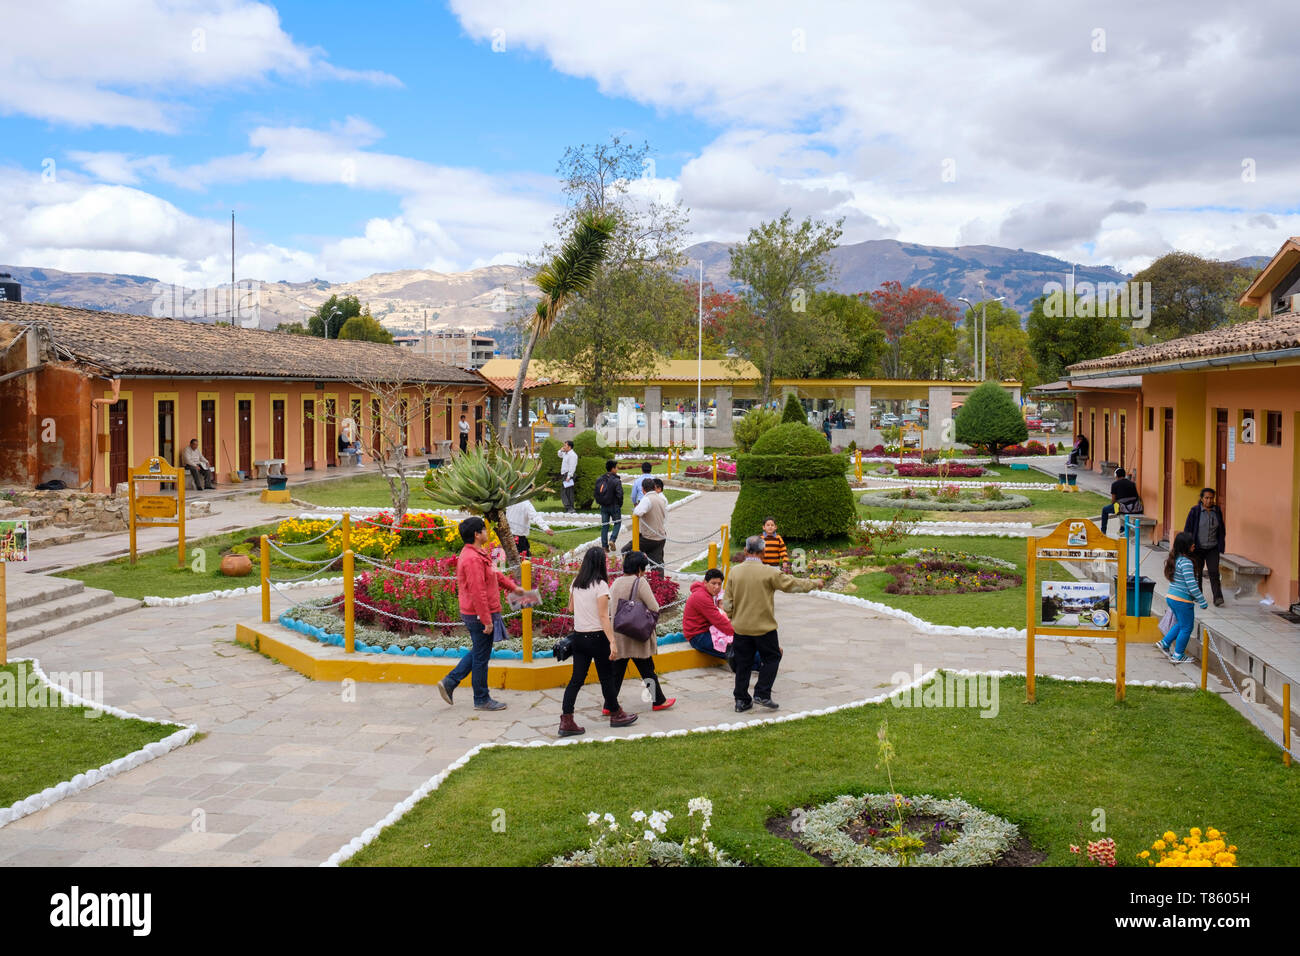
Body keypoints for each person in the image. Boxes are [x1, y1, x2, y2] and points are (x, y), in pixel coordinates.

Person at [723, 536, 818, 712]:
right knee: (772, 658)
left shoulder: (735, 572)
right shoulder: (769, 572)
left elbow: (727, 602)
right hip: (764, 628)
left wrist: (732, 617)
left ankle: (741, 700)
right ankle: (762, 693)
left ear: (745, 551)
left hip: (741, 627)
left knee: (743, 663)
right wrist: (814, 583)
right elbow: (792, 584)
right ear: (763, 552)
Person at [438, 516, 523, 712]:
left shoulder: (478, 553)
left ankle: (450, 682)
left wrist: (514, 588)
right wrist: (487, 621)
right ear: (477, 534)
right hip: (478, 615)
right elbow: (478, 592)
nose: (487, 532)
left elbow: (495, 574)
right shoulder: (472, 559)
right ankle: (481, 699)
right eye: (484, 529)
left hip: (481, 612)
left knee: (479, 651)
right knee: (481, 657)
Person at [559, 547, 638, 736]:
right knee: (606, 677)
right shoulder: (600, 585)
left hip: (579, 637)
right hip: (597, 637)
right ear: (600, 563)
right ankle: (616, 713)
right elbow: (603, 617)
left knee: (576, 680)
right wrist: (612, 641)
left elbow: (570, 608)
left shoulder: (576, 583)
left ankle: (566, 720)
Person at [607, 550, 674, 712]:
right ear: (639, 568)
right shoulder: (640, 582)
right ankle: (658, 701)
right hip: (637, 634)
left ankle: (609, 705)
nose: (644, 571)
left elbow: (611, 608)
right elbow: (654, 607)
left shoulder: (616, 583)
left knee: (616, 673)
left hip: (619, 633)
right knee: (647, 670)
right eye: (644, 568)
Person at [1157, 531, 1208, 664]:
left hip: (1172, 597)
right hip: (1182, 601)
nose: (1194, 545)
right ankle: (1178, 655)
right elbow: (1191, 585)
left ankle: (1165, 643)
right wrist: (1202, 600)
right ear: (1186, 546)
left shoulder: (1176, 559)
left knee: (1180, 623)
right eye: (1191, 544)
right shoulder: (1186, 562)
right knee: (1187, 627)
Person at [1184, 488, 1226, 607]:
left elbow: (1221, 529)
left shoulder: (1217, 511)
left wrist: (1221, 543)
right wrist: (1189, 545)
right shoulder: (1195, 511)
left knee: (1214, 572)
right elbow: (1188, 529)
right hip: (1197, 547)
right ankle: (1198, 595)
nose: (1209, 500)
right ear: (1202, 499)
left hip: (1212, 547)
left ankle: (1218, 597)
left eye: (1211, 498)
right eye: (1206, 498)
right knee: (1197, 572)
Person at [627, 477, 667, 568]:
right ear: (654, 487)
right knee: (657, 565)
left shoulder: (647, 499)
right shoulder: (661, 498)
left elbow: (637, 512)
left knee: (626, 551)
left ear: (643, 489)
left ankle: (631, 574)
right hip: (661, 536)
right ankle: (659, 582)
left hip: (649, 538)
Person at [593, 459, 624, 551]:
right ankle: (612, 539)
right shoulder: (616, 480)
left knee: (605, 525)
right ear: (613, 468)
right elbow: (620, 494)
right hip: (614, 505)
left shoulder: (600, 479)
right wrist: (619, 504)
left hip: (603, 505)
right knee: (617, 522)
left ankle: (604, 546)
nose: (617, 469)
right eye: (616, 467)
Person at [1099, 467, 1140, 534]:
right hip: (1133, 508)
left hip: (1122, 508)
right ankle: (1122, 528)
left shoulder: (1115, 484)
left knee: (1105, 509)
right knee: (1119, 509)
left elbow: (1113, 500)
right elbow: (1136, 497)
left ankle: (1103, 531)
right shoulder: (1132, 484)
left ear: (1116, 475)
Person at [558, 440, 578, 513]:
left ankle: (569, 507)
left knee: (564, 492)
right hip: (565, 474)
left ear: (569, 447)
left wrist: (569, 476)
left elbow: (572, 466)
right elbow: (559, 455)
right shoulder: (566, 454)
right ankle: (571, 509)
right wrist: (561, 450)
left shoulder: (572, 455)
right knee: (568, 492)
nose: (564, 447)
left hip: (568, 475)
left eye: (565, 446)